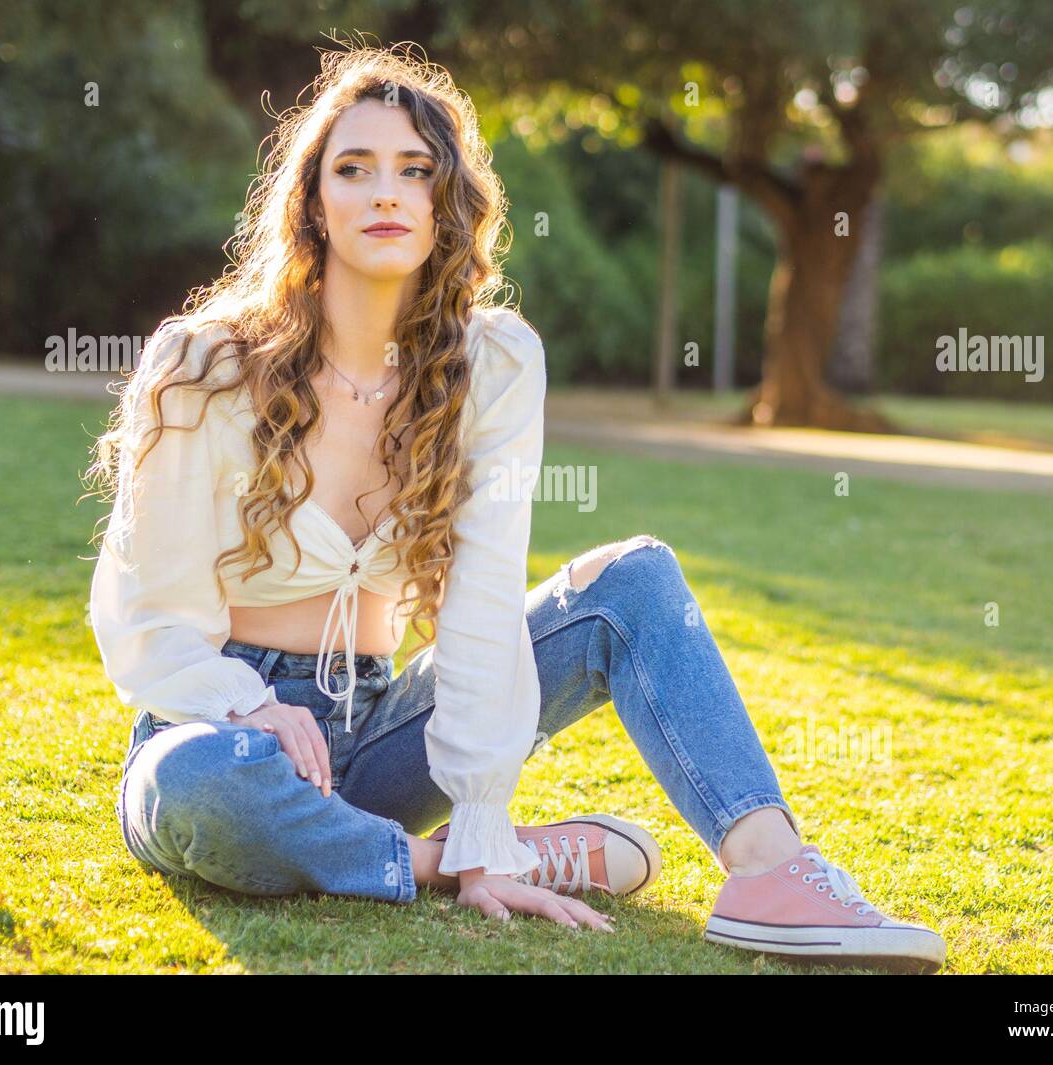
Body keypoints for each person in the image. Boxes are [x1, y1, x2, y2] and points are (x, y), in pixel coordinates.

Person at [84, 43, 945, 972]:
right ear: (311, 203)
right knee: (190, 786)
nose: (386, 193)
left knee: (636, 580)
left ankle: (771, 873)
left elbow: (484, 603)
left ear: (445, 202)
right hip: (224, 736)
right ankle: (452, 865)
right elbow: (148, 613)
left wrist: (481, 801)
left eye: (416, 171)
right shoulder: (206, 365)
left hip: (376, 740)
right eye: (355, 169)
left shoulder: (492, 362)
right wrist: (243, 705)